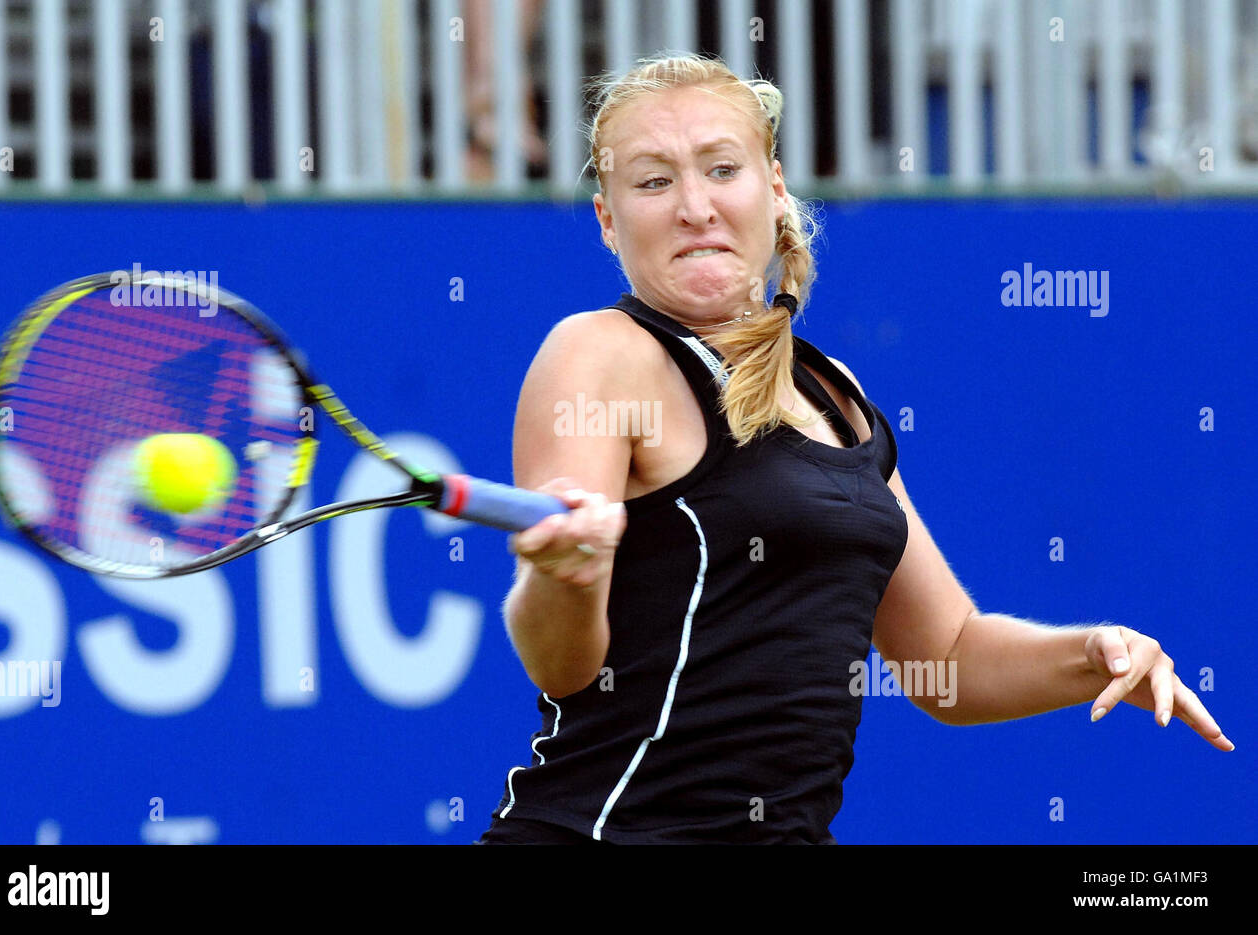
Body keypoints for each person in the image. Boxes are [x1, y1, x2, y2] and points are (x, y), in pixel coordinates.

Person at [476, 53, 1233, 845]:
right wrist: (561, 575)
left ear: (772, 188)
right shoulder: (598, 353)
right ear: (607, 219)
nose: (694, 206)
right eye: (654, 181)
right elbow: (561, 662)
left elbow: (950, 657)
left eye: (721, 168)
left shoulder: (833, 390)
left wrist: (1094, 652)